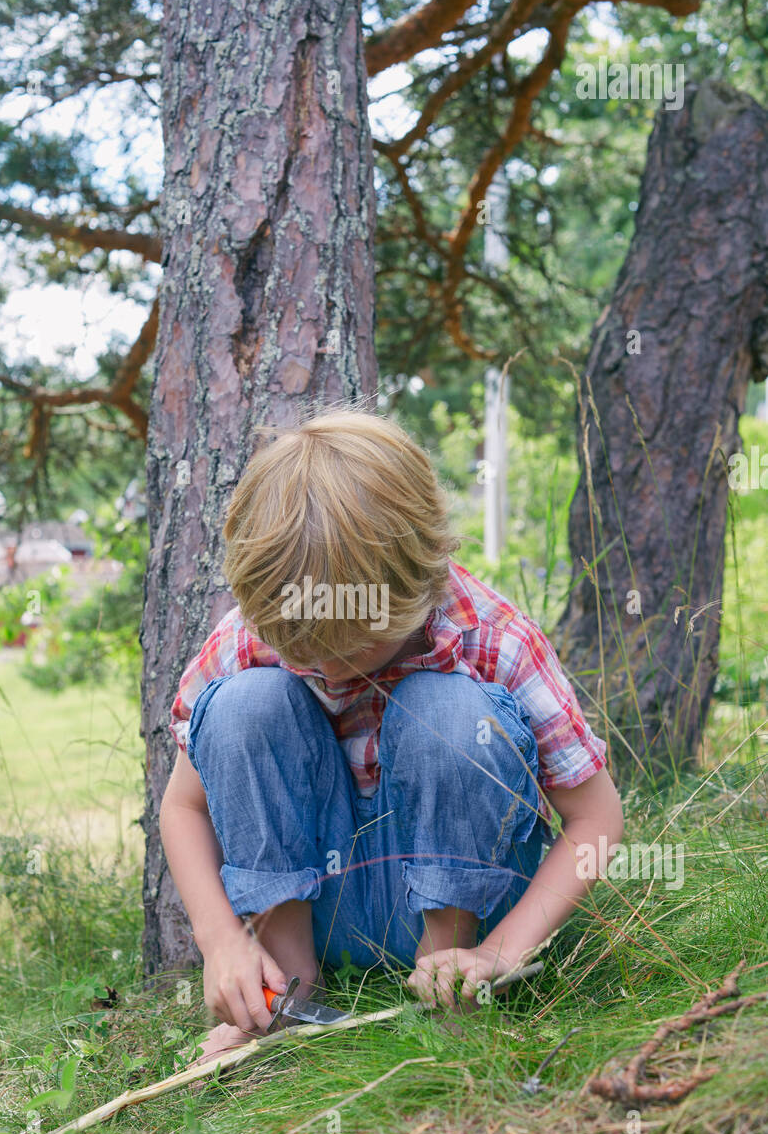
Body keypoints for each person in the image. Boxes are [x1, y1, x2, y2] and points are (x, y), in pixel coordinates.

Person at [159, 409, 623, 1059]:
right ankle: (284, 990)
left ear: (420, 580)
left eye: (352, 648)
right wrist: (221, 941)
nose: (327, 670)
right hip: (330, 901)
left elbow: (596, 816)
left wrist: (501, 951)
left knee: (450, 717)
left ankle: (451, 976)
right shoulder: (248, 636)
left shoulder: (492, 637)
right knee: (244, 706)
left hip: (479, 903)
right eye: (305, 652)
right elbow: (182, 806)